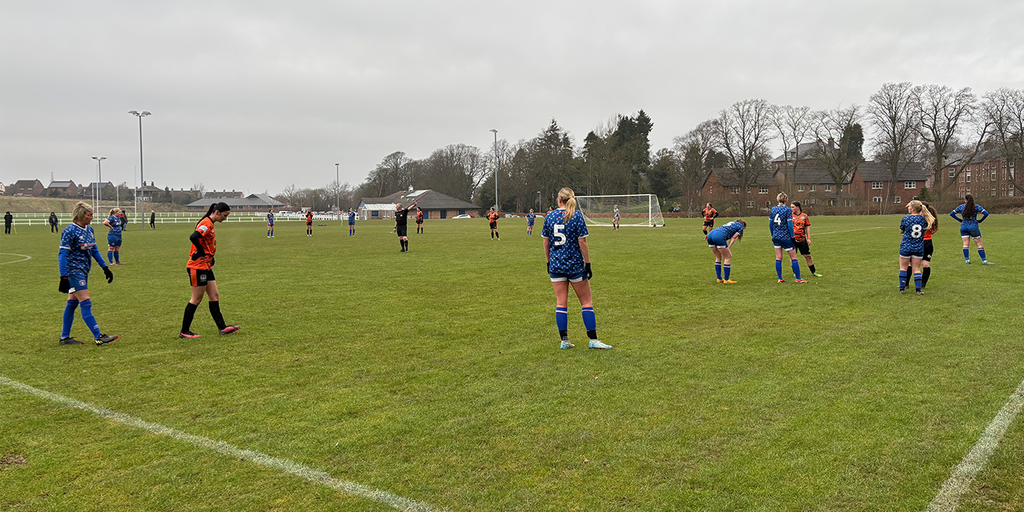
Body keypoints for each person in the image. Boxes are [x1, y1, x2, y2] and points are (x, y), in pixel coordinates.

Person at [543, 187, 611, 350]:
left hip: (556, 265)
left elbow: (546, 242)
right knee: (586, 302)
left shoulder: (550, 216)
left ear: (559, 200)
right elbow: (582, 241)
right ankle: (593, 339)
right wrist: (588, 264)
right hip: (574, 265)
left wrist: (548, 262)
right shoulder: (577, 216)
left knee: (561, 303)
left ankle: (564, 340)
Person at [57, 202, 118, 346]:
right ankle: (98, 336)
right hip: (74, 271)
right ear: (81, 215)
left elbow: (94, 250)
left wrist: (105, 268)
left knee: (72, 303)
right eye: (89, 215)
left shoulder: (89, 230)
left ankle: (65, 338)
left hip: (84, 270)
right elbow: (62, 254)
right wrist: (64, 276)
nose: (92, 217)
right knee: (85, 301)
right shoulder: (70, 231)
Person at [180, 202, 239, 338]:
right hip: (198, 267)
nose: (225, 218)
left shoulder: (210, 224)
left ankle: (222, 327)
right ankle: (184, 331)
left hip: (206, 266)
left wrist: (210, 257)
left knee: (214, 296)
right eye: (225, 215)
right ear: (217, 212)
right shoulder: (206, 223)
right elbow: (194, 237)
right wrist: (201, 252)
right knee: (196, 298)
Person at [899, 200, 936, 295]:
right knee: (917, 269)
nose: (908, 208)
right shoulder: (924, 220)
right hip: (918, 247)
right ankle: (918, 290)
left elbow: (902, 230)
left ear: (913, 208)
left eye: (909, 207)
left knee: (903, 267)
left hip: (906, 246)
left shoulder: (906, 219)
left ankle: (902, 288)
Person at [769, 192, 805, 283]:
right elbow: (789, 224)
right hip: (785, 236)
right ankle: (798, 278)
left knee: (778, 257)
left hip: (776, 236)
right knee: (794, 257)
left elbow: (770, 224)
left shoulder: (773, 209)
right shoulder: (788, 210)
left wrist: (773, 234)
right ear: (785, 200)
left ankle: (780, 278)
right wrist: (792, 237)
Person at [949, 194, 992, 265]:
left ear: (965, 200)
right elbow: (986, 213)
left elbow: (952, 214)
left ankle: (967, 260)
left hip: (964, 226)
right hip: (973, 226)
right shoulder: (976, 207)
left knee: (965, 244)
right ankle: (984, 260)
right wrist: (981, 220)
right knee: (979, 244)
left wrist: (959, 220)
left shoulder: (961, 207)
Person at [706, 219, 747, 284]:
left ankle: (719, 279)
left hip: (710, 235)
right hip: (718, 236)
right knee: (728, 257)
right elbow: (733, 237)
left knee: (718, 257)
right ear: (743, 225)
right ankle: (726, 279)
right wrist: (728, 247)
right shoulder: (741, 226)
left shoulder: (732, 223)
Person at [790, 202, 821, 277]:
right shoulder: (790, 216)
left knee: (808, 256)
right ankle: (795, 272)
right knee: (793, 257)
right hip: (792, 240)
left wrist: (809, 238)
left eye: (793, 207)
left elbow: (807, 227)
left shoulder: (804, 216)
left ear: (798, 207)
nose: (791, 209)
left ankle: (814, 272)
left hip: (802, 239)